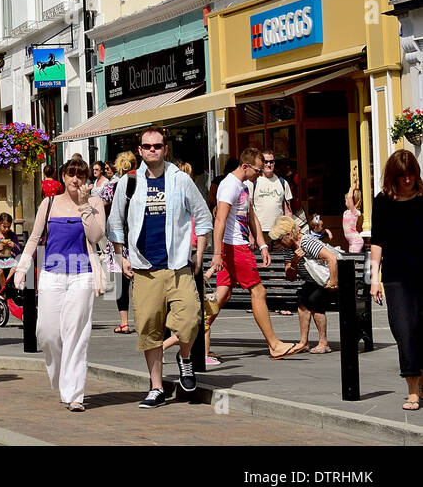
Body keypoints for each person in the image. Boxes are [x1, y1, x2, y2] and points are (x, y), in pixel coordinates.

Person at [108, 127, 212, 408]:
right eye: (147, 146)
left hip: (178, 265)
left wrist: (199, 253)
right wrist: (121, 257)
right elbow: (114, 223)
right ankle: (156, 388)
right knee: (149, 330)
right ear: (139, 150)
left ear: (166, 149)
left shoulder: (181, 180)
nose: (152, 149)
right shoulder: (128, 183)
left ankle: (185, 359)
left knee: (191, 320)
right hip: (143, 268)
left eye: (157, 145)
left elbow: (203, 217)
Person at [16, 159, 106, 411]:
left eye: (80, 175)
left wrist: (85, 205)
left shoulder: (94, 202)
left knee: (77, 335)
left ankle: (75, 393)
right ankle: (59, 375)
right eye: (71, 174)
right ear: (63, 177)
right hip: (51, 274)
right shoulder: (50, 202)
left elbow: (96, 237)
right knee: (47, 333)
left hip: (82, 275)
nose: (75, 180)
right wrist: (22, 267)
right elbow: (34, 237)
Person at [207, 148, 299, 360]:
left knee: (222, 295)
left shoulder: (243, 185)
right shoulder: (229, 185)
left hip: (237, 247)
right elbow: (219, 219)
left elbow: (251, 216)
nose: (260, 173)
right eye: (257, 170)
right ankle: (274, 344)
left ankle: (192, 335)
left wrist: (263, 245)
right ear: (246, 166)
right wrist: (218, 252)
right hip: (235, 247)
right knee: (259, 292)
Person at [370, 150, 423, 410]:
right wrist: (373, 278)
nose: (407, 180)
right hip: (396, 276)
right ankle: (413, 389)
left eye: (411, 174)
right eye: (402, 175)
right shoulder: (383, 201)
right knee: (404, 330)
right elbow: (377, 241)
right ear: (393, 175)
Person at [270, 215, 338, 355]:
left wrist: (333, 283)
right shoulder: (288, 249)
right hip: (314, 282)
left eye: (279, 239)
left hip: (330, 281)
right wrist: (294, 261)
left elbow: (332, 258)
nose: (278, 243)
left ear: (289, 235)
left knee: (314, 300)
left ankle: (323, 343)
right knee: (302, 301)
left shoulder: (306, 241)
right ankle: (303, 342)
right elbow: (290, 277)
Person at [102, 151, 138, 335]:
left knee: (120, 283)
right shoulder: (141, 182)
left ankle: (124, 323)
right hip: (137, 238)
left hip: (117, 239)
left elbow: (101, 204)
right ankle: (143, 320)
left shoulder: (112, 185)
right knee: (140, 282)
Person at [249, 149, 293, 241]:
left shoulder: (283, 183)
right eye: (266, 162)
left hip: (279, 232)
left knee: (280, 256)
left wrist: (289, 231)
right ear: (261, 163)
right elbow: (248, 210)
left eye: (271, 161)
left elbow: (288, 211)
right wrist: (250, 234)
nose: (269, 164)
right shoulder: (253, 182)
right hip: (259, 232)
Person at [0, 213, 20, 288]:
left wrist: (14, 246)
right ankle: (4, 289)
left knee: (15, 268)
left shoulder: (12, 235)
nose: (6, 229)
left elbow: (19, 251)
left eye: (8, 227)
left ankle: (6, 284)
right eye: (4, 227)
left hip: (9, 258)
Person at [343, 186, 364, 254]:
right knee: (354, 260)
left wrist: (352, 187)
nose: (345, 201)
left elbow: (349, 197)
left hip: (356, 241)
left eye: (346, 200)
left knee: (354, 259)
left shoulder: (354, 211)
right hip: (351, 242)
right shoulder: (347, 212)